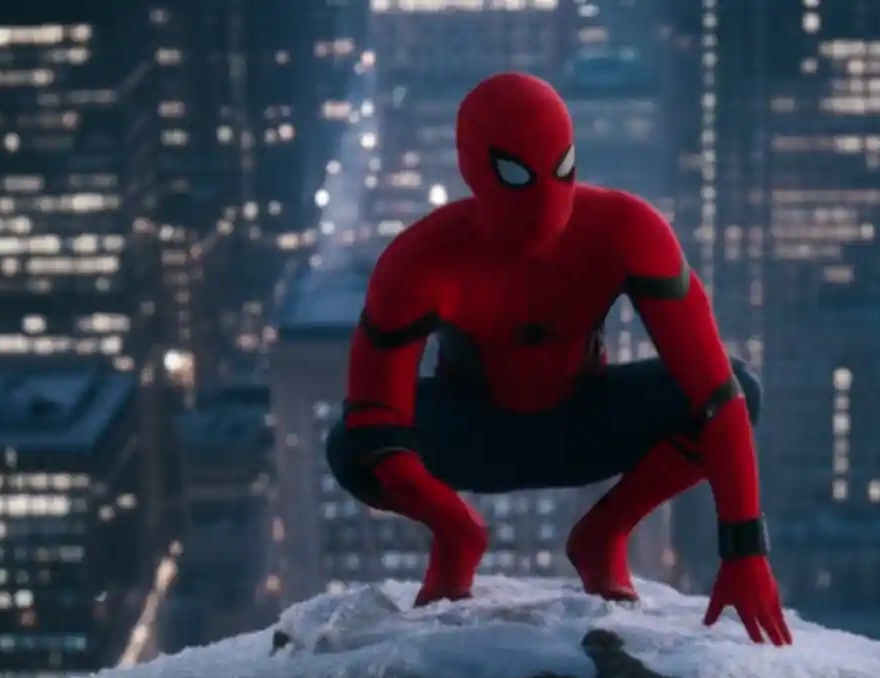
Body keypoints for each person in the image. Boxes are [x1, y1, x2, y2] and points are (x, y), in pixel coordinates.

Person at [326, 72, 792, 646]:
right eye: (517, 175)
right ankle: (466, 538)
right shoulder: (419, 263)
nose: (546, 197)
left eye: (561, 167)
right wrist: (454, 528)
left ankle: (603, 535)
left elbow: (718, 394)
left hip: (582, 421)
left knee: (743, 392)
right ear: (474, 167)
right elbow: (374, 421)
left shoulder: (627, 231)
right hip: (473, 435)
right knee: (351, 445)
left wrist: (745, 550)